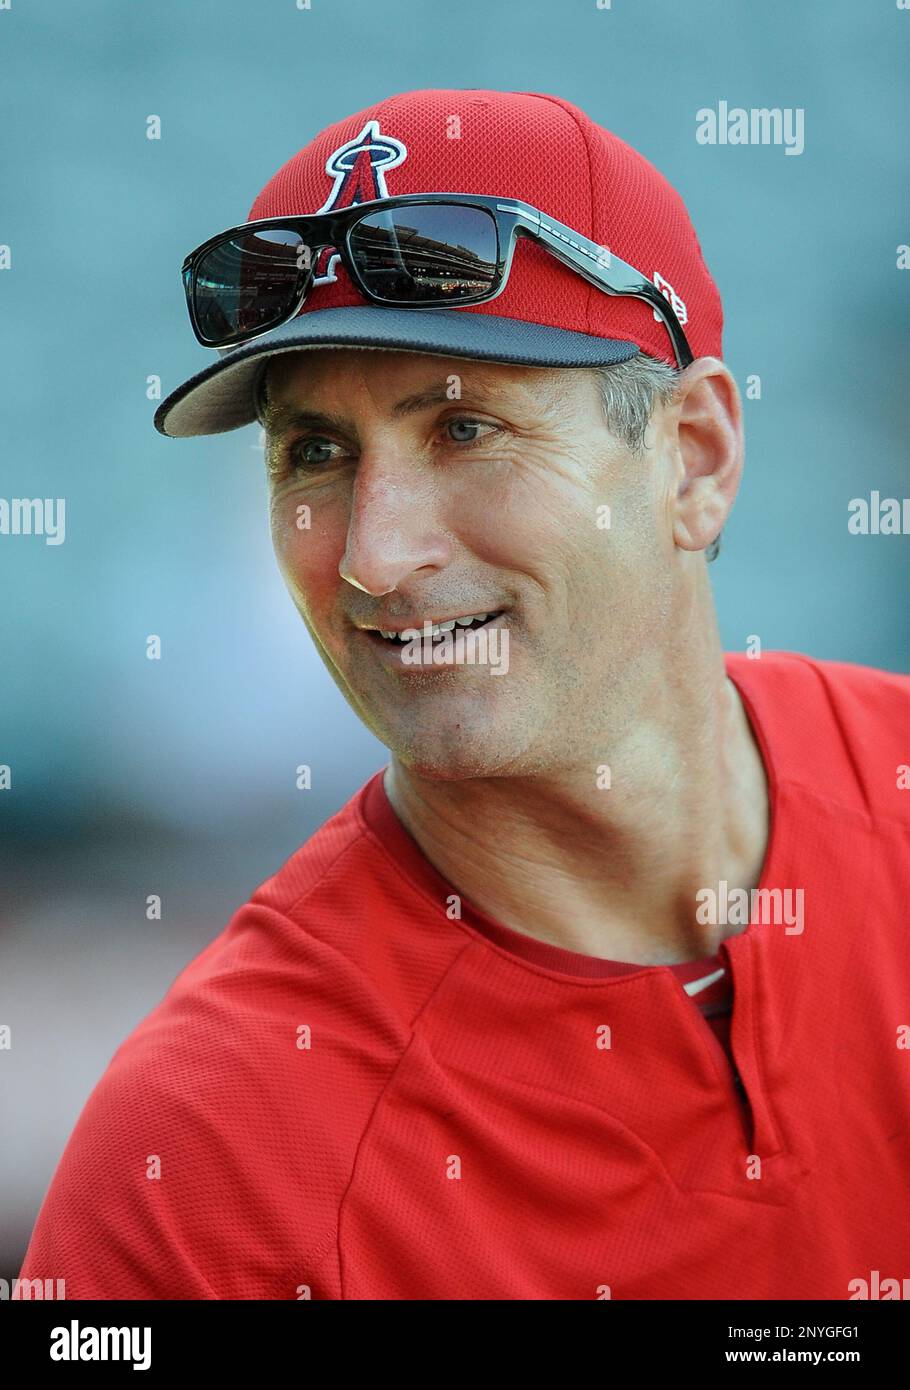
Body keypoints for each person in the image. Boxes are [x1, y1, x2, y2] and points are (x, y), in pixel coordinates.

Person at [20, 87, 910, 1300]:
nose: (373, 557)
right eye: (315, 454)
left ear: (694, 457)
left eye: (465, 429)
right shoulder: (203, 1162)